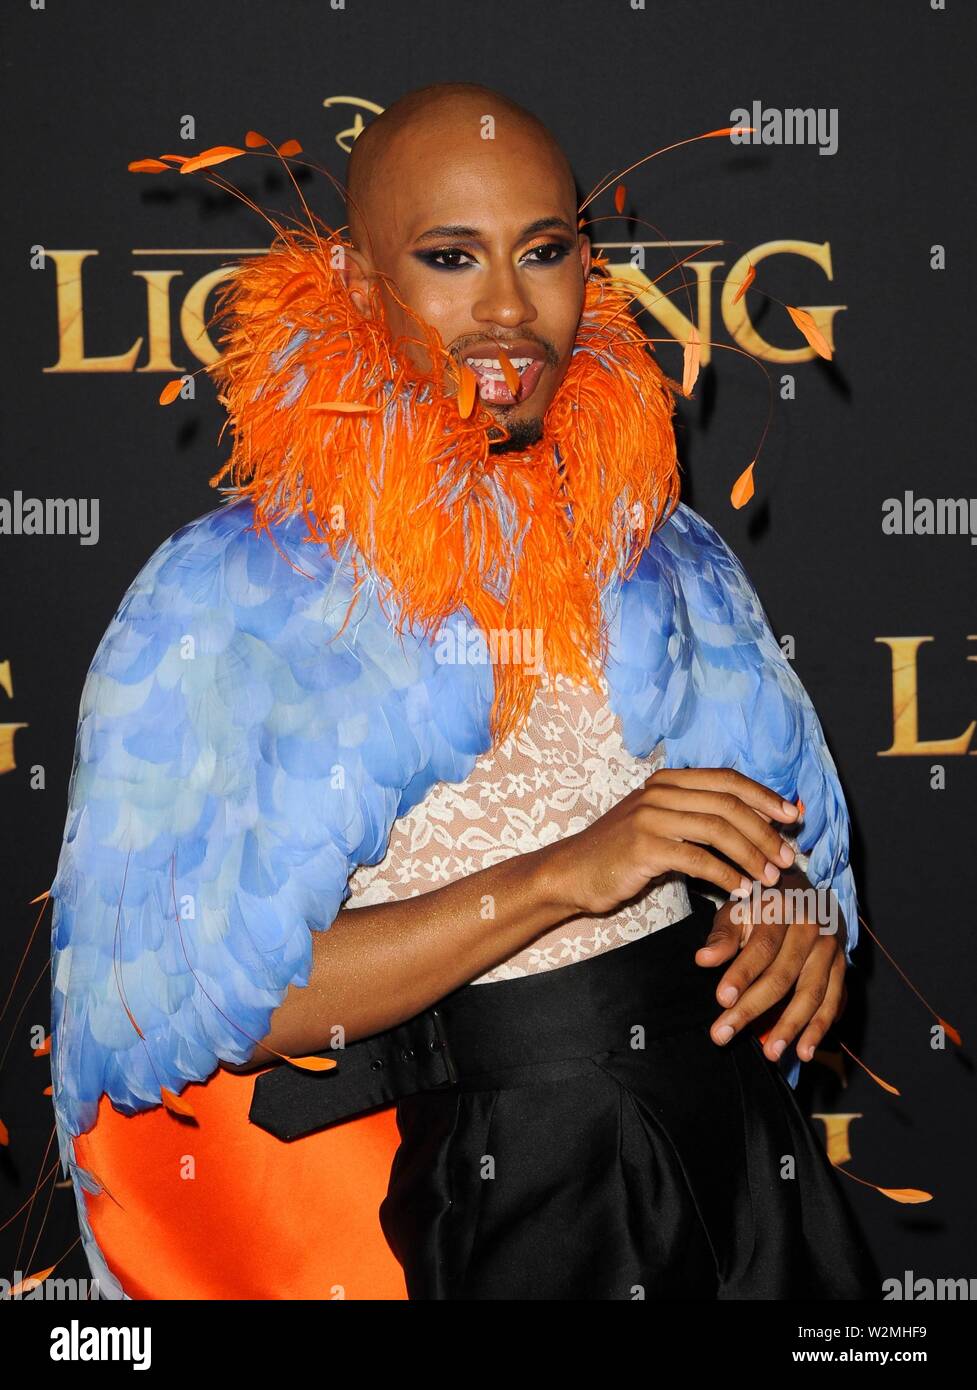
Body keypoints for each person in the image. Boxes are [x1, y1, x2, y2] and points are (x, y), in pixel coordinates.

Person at [49, 82, 880, 1300]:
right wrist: (553, 877)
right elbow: (221, 1007)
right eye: (449, 258)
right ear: (351, 275)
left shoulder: (659, 548)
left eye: (544, 253)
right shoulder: (232, 594)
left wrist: (790, 919)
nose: (507, 310)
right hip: (522, 1200)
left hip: (749, 1164)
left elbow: (763, 849)